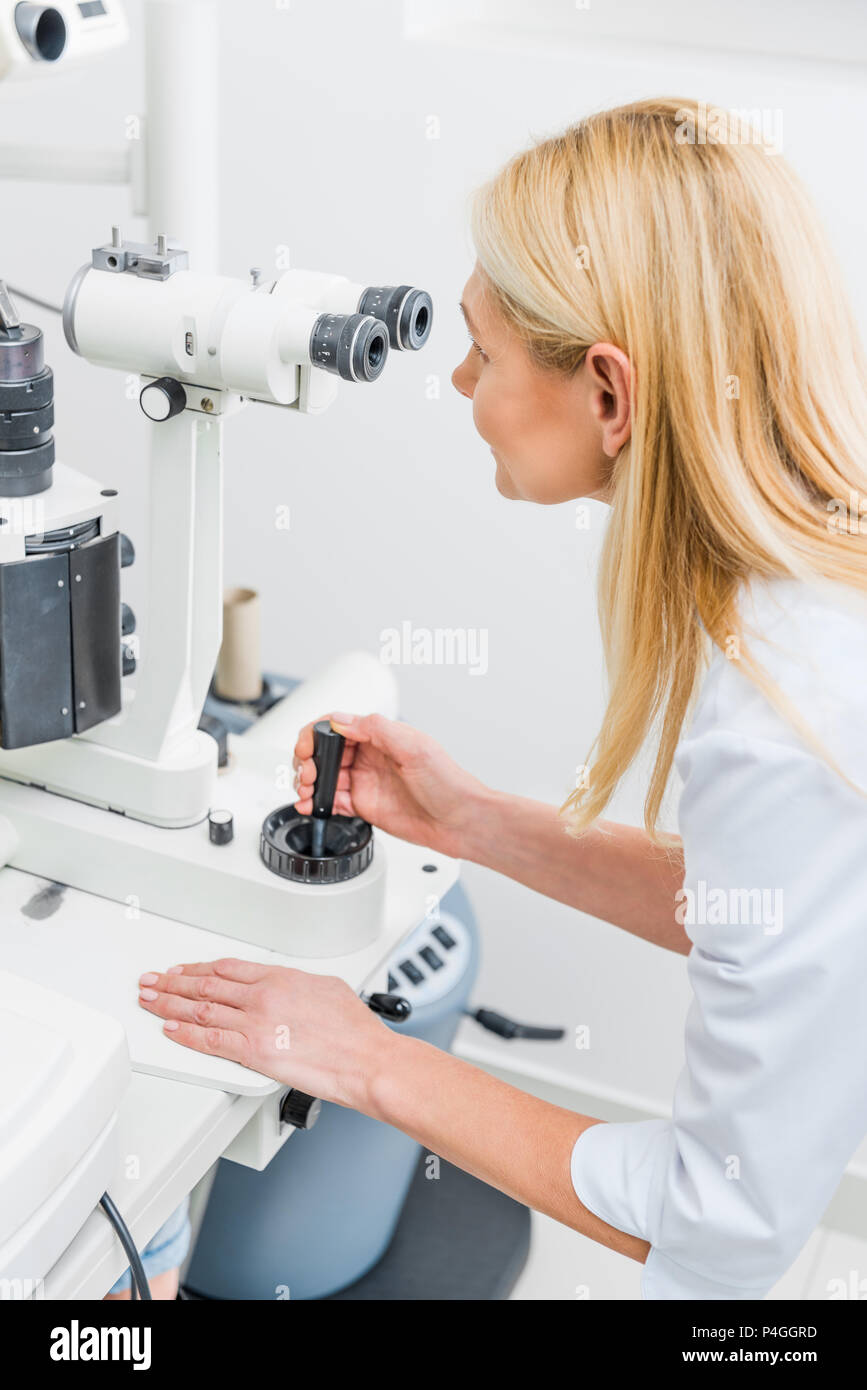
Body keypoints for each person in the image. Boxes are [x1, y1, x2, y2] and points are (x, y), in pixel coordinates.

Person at [136, 98, 867, 1299]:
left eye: (483, 347)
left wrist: (365, 1060)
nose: (463, 376)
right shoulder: (805, 597)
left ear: (610, 397)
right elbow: (758, 902)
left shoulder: (786, 708)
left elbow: (723, 1219)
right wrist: (472, 820)